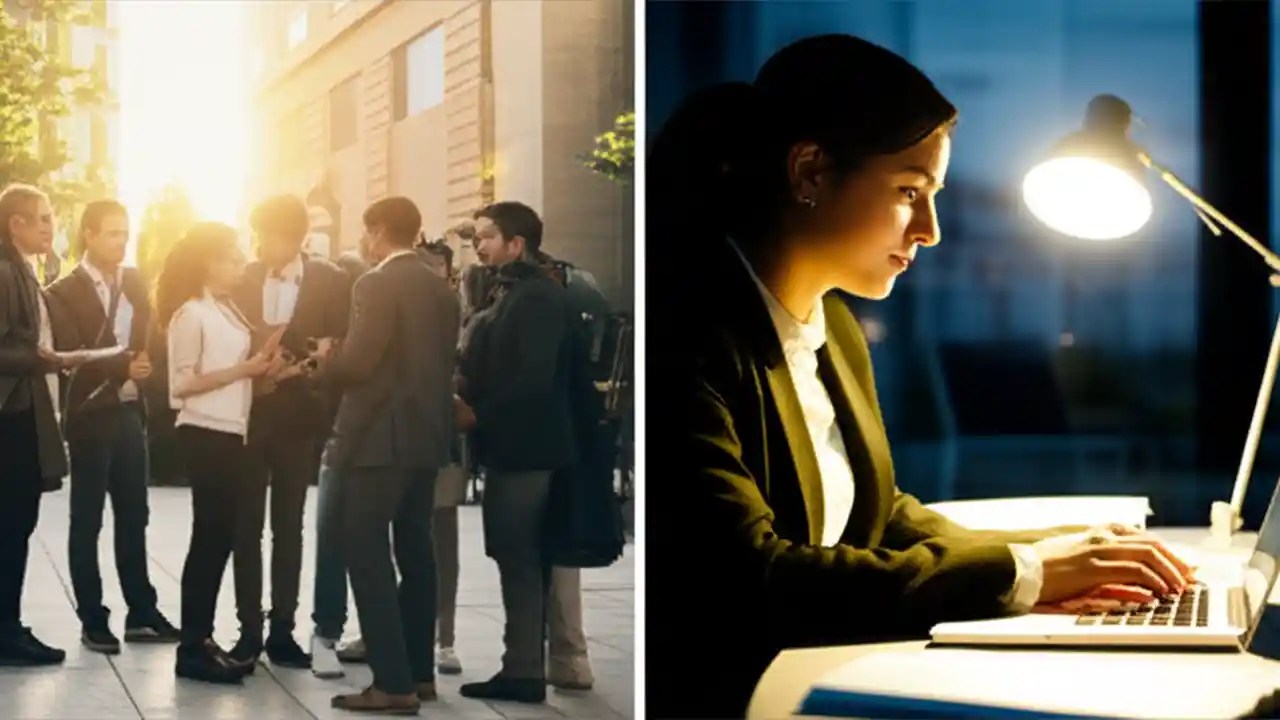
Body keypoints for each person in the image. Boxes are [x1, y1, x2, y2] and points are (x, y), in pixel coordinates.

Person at [645, 35, 1194, 718]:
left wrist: (1047, 552)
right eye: (910, 191)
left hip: (825, 666)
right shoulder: (685, 336)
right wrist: (1026, 574)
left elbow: (880, 515)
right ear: (810, 171)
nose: (929, 229)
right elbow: (752, 577)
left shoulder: (833, 327)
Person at [320, 197, 459, 714]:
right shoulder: (440, 288)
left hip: (380, 441)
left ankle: (393, 683)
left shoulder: (375, 282)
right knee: (417, 551)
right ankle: (420, 674)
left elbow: (360, 365)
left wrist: (325, 362)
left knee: (365, 551)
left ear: (376, 231)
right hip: (427, 437)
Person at [159, 222, 294, 684]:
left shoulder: (226, 310)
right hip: (204, 431)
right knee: (210, 537)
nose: (240, 265)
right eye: (232, 258)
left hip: (232, 430)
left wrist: (266, 371)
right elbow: (181, 383)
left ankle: (201, 638)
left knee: (219, 538)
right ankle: (192, 645)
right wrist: (244, 368)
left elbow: (236, 375)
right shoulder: (190, 313)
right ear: (208, 262)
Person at [457, 201, 580, 703]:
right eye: (476, 237)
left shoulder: (535, 298)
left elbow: (530, 380)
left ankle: (524, 669)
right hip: (514, 445)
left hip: (526, 448)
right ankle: (522, 664)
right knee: (516, 557)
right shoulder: (511, 290)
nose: (479, 245)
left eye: (487, 236)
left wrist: (475, 413)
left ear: (517, 243)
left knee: (520, 557)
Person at [46, 200, 179, 655]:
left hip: (129, 412)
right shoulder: (63, 291)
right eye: (111, 233)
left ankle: (141, 611)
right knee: (87, 519)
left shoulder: (136, 282)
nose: (120, 242)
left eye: (125, 233)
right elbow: (71, 356)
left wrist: (146, 368)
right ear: (88, 234)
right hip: (90, 414)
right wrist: (125, 368)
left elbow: (152, 337)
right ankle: (92, 616)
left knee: (135, 515)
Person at [228, 195, 351, 671]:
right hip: (249, 413)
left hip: (300, 416)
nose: (259, 245)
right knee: (245, 526)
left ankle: (283, 630)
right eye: (256, 234)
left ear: (296, 237)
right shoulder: (244, 276)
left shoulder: (331, 279)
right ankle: (248, 630)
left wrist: (302, 367)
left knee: (289, 527)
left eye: (268, 235)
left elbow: (338, 343)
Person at [0, 183, 89, 666]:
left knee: (17, 523)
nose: (50, 226)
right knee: (11, 525)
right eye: (41, 218)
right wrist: (40, 358)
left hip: (24, 414)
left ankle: (8, 625)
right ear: (14, 222)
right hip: (11, 421)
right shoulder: (4, 271)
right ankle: (6, 631)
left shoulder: (25, 269)